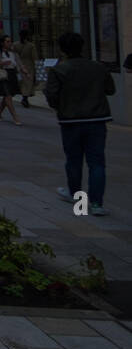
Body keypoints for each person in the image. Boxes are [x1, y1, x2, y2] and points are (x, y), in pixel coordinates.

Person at [47, 33, 115, 217]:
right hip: (96, 119)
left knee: (74, 159)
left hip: (71, 120)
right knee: (97, 162)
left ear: (62, 49)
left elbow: (52, 96)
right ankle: (97, 203)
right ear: (82, 46)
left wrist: (62, 105)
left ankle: (75, 194)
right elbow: (110, 89)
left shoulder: (59, 70)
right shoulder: (98, 68)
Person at [0, 36, 22, 125]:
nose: (9, 43)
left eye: (10, 41)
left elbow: (19, 64)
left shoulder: (13, 53)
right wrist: (2, 63)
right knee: (7, 96)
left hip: (12, 75)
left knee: (7, 96)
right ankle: (15, 117)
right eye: (7, 41)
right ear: (2, 43)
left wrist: (25, 72)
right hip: (3, 75)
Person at [14, 30, 39, 109]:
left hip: (18, 65)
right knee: (28, 83)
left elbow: (13, 55)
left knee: (22, 82)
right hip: (29, 66)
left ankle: (24, 97)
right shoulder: (31, 45)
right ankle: (25, 98)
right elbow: (35, 57)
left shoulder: (15, 45)